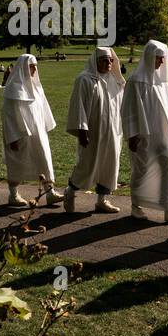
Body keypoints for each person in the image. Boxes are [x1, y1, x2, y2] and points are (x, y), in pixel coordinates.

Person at [121, 40, 168, 223]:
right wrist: (132, 134)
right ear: (149, 57)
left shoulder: (161, 82)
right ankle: (137, 205)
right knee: (141, 169)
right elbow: (128, 109)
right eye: (158, 58)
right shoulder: (135, 81)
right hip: (143, 134)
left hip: (162, 134)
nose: (161, 62)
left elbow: (167, 108)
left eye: (162, 58)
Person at [63, 47, 125, 214]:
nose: (109, 63)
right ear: (95, 61)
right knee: (87, 164)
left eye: (111, 60)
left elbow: (120, 105)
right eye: (104, 60)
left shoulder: (115, 80)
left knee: (109, 165)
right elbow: (79, 107)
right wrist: (82, 131)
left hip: (112, 131)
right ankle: (70, 191)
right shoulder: (85, 80)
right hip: (93, 132)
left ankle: (102, 200)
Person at [1, 53, 65, 208]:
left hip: (38, 133)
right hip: (20, 135)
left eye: (35, 66)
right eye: (31, 66)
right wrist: (12, 137)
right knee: (17, 163)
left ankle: (49, 193)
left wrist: (45, 127)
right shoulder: (13, 89)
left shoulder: (36, 87)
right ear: (23, 67)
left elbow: (43, 109)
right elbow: (7, 115)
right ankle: (13, 194)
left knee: (44, 159)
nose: (34, 69)